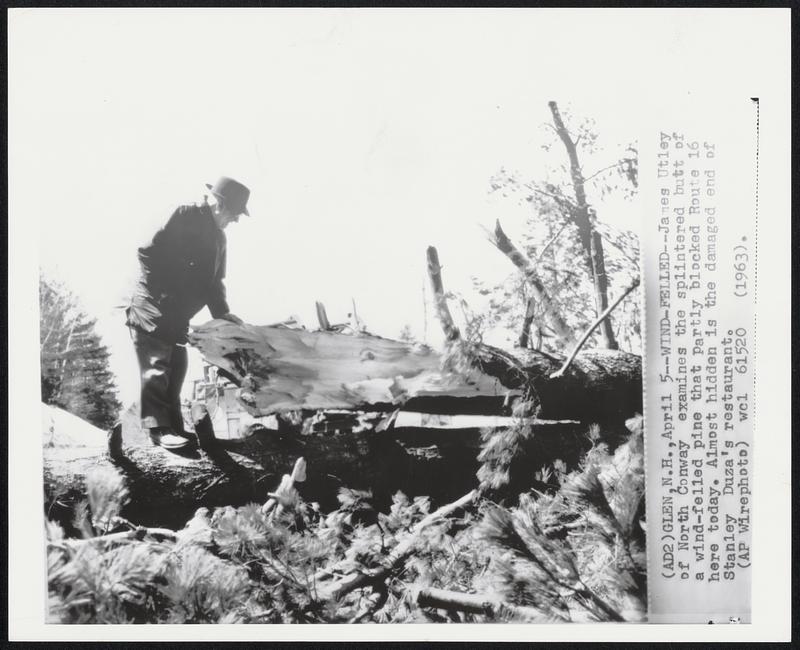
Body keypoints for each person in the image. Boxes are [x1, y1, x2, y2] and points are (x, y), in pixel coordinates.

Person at [125, 176, 250, 450]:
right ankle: (156, 429)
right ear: (219, 204)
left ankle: (174, 429)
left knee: (178, 365)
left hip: (176, 315)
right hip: (152, 306)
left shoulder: (219, 239)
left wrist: (223, 314)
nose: (235, 221)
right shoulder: (184, 213)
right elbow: (146, 252)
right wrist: (161, 293)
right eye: (234, 214)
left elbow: (214, 283)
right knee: (156, 366)